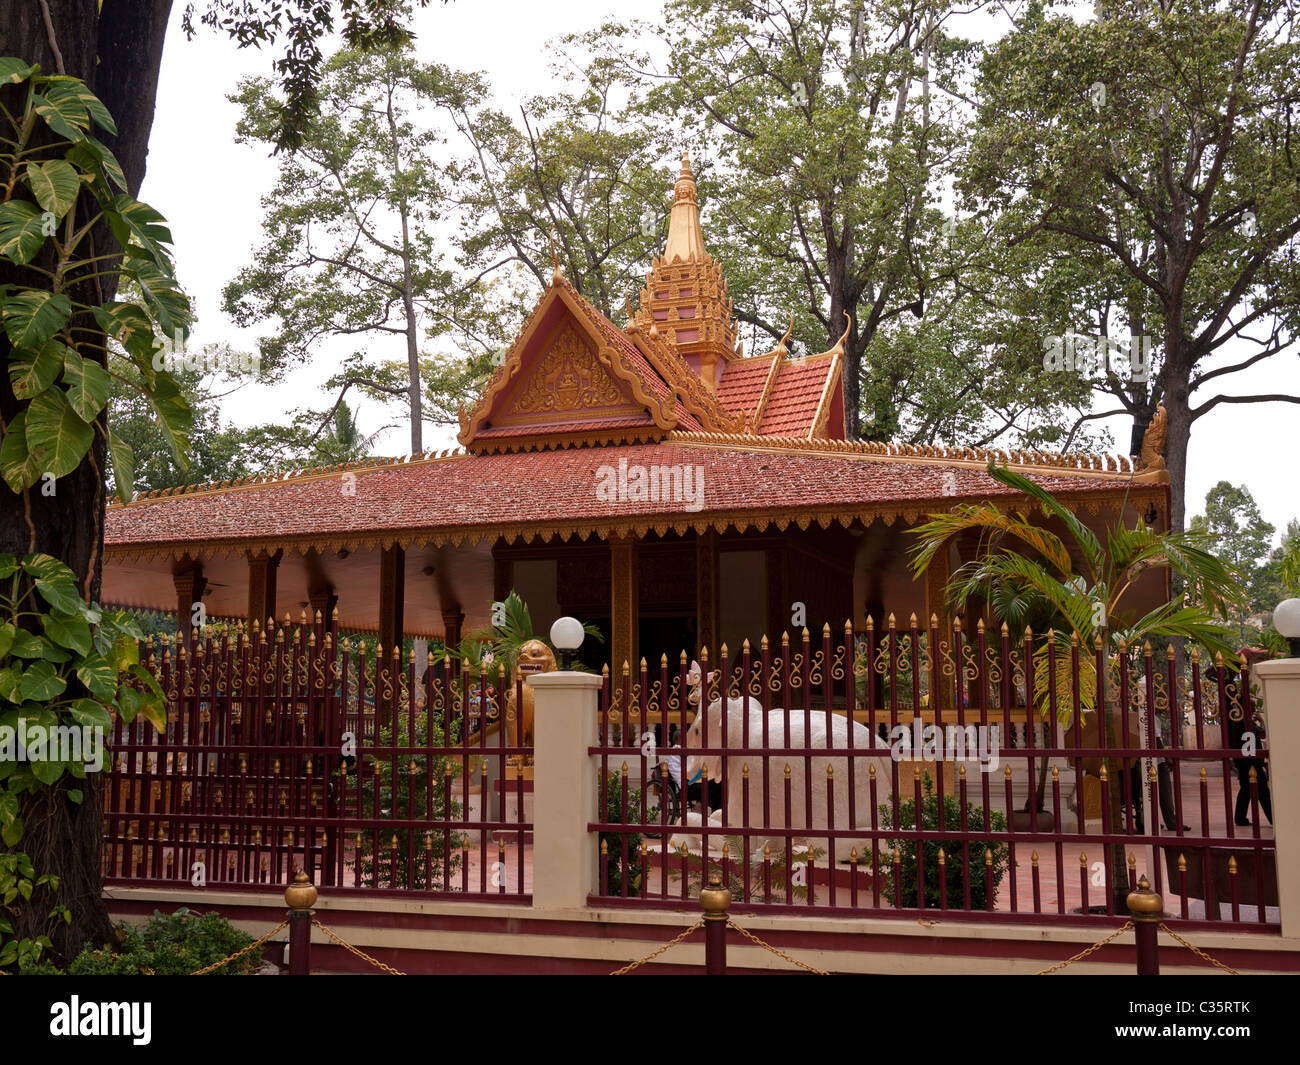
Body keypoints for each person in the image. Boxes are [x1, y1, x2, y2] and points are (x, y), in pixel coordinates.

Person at [1215, 652, 1273, 827]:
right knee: (1261, 790)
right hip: (1251, 760)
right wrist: (1260, 719)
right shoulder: (1245, 722)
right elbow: (1262, 733)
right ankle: (1271, 818)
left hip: (1243, 759)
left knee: (1247, 789)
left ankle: (1240, 818)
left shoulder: (1238, 720)